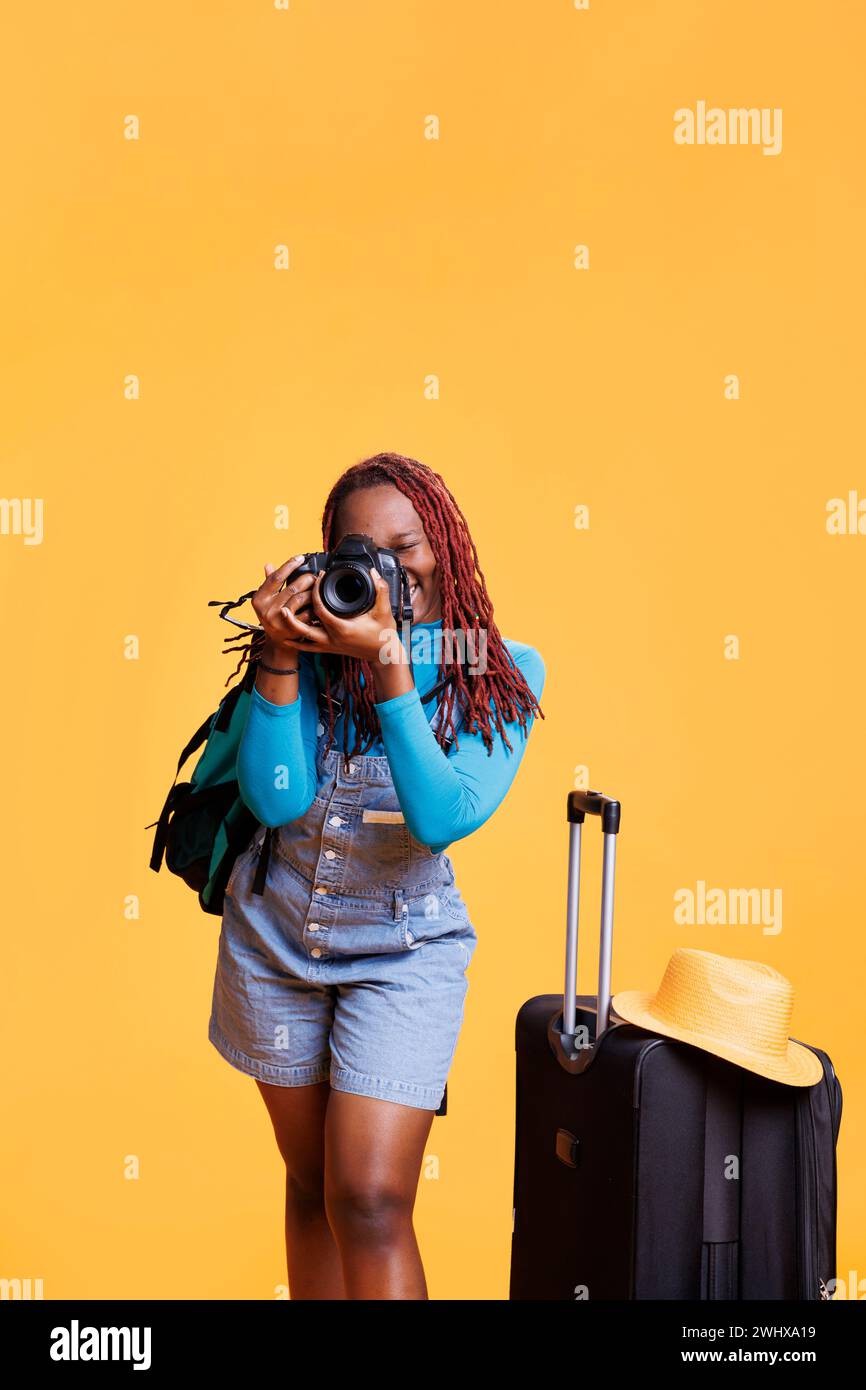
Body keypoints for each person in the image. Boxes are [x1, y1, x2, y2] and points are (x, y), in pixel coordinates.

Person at [208, 451, 545, 1299]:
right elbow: (276, 799)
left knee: (369, 1199)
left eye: (408, 546)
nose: (392, 569)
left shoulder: (495, 668)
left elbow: (441, 817)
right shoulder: (311, 651)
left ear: (447, 549)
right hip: (275, 942)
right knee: (311, 1185)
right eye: (364, 552)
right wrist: (280, 653)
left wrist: (390, 661)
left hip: (403, 955)